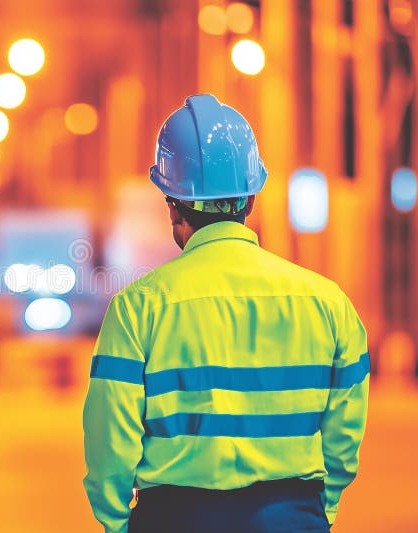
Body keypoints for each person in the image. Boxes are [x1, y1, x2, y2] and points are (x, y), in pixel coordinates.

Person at [83, 94, 368, 533]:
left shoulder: (137, 308)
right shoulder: (329, 303)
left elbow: (109, 443)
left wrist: (119, 524)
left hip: (174, 519)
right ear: (251, 199)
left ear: (172, 204)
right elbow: (344, 440)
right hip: (294, 516)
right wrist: (315, 513)